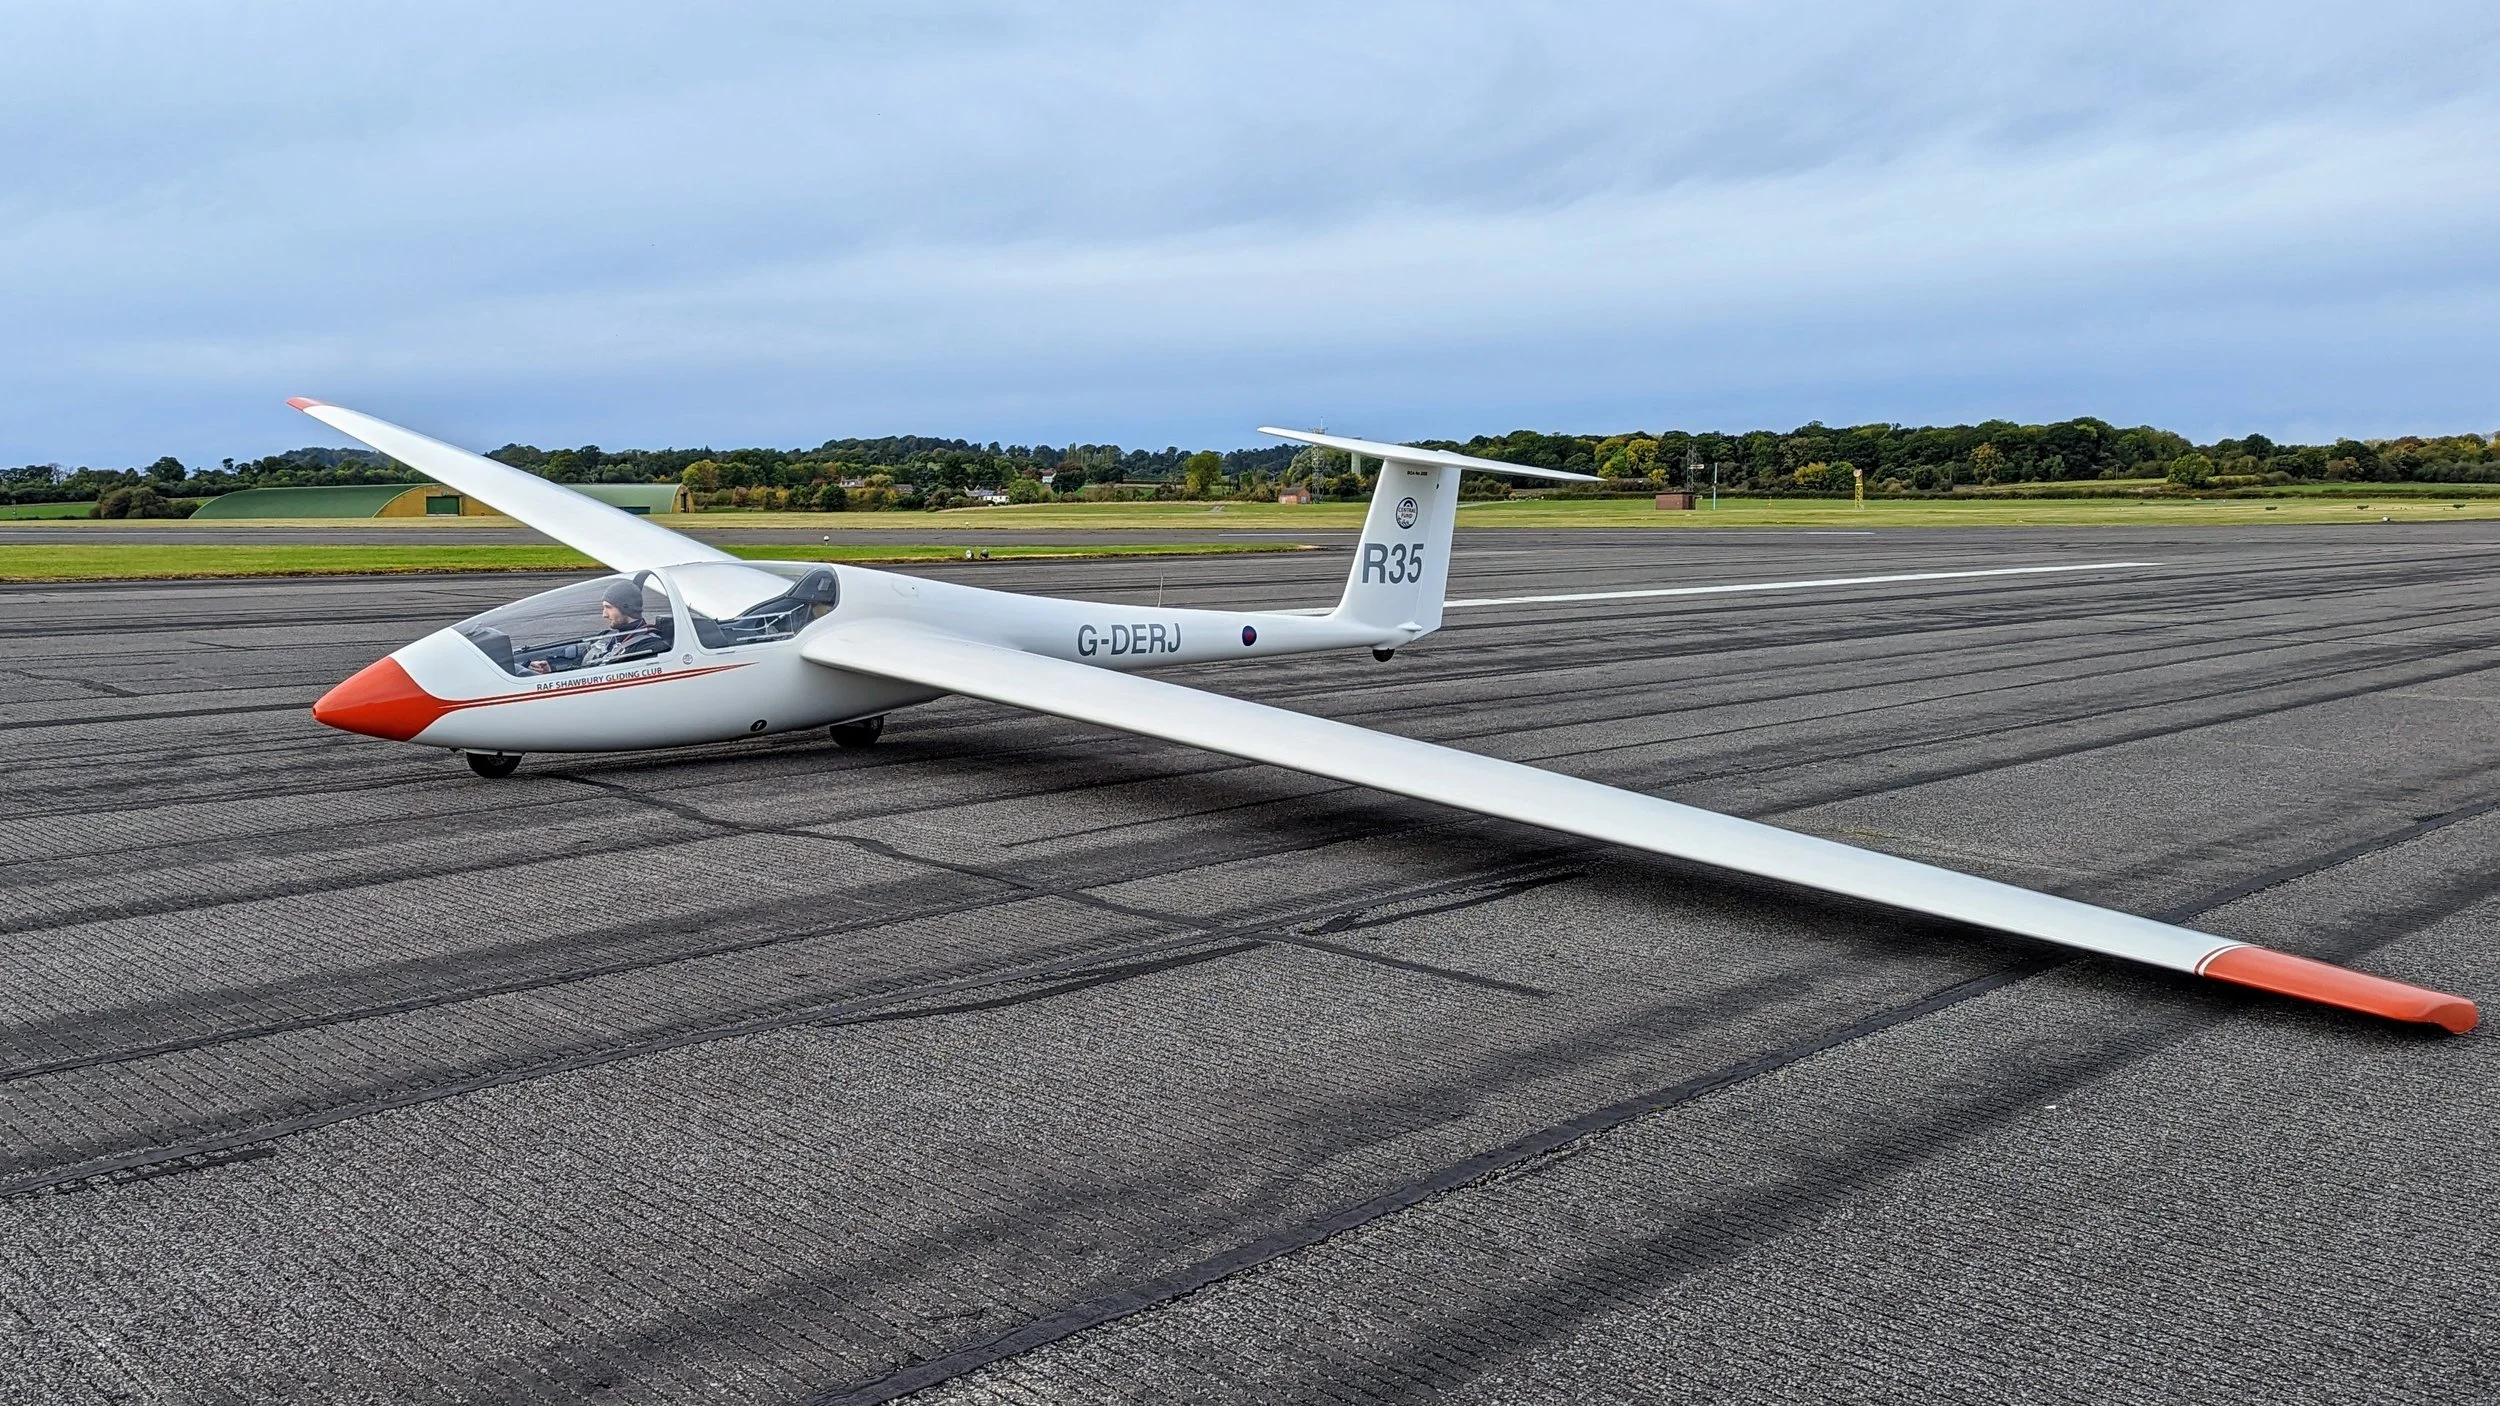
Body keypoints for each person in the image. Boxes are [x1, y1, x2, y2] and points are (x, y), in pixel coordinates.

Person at [530, 580, 665, 673]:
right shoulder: (607, 637)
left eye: (608, 608)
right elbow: (582, 665)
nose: (604, 615)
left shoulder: (650, 647)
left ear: (626, 608)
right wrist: (551, 669)